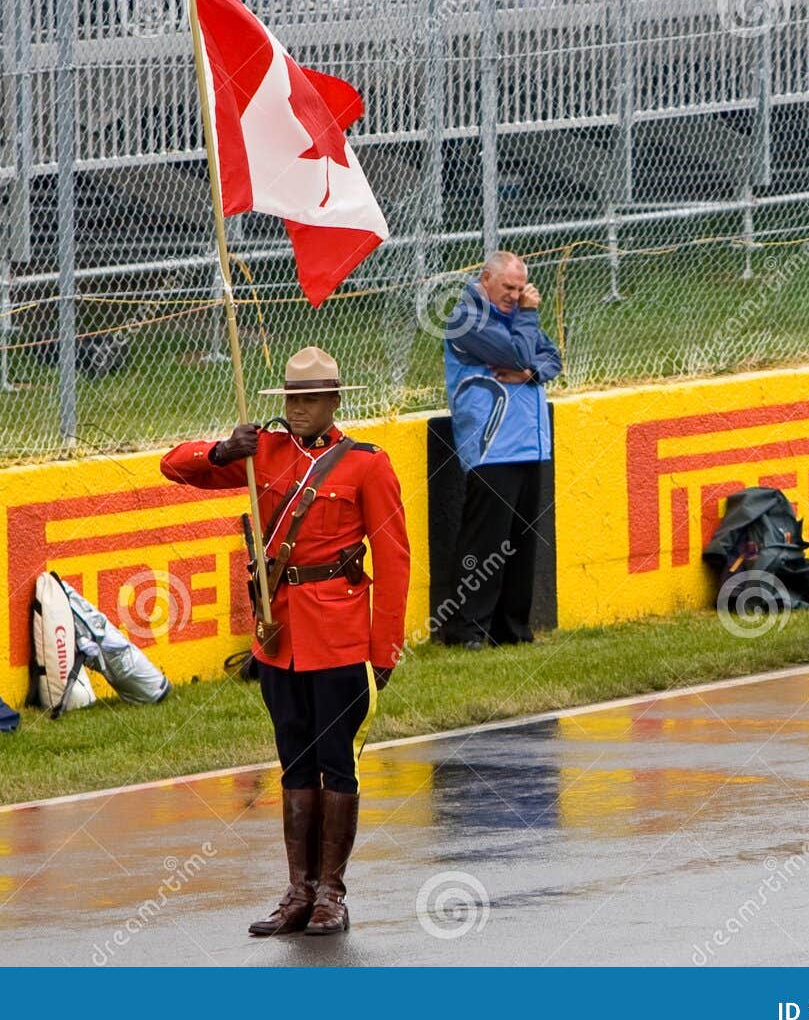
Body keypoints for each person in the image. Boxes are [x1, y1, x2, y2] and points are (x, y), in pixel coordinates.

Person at [160, 347, 410, 936]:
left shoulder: (367, 466)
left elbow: (394, 560)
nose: (298, 410)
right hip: (279, 636)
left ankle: (332, 896)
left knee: (336, 764)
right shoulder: (261, 453)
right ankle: (297, 892)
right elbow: (174, 466)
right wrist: (222, 451)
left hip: (341, 638)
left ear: (333, 401)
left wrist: (385, 648)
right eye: (291, 400)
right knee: (294, 762)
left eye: (310, 400)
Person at [439, 251, 562, 650]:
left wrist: (529, 372)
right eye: (507, 287)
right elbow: (520, 353)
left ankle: (512, 629)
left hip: (530, 443)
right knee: (484, 543)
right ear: (486, 279)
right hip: (491, 448)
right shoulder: (465, 319)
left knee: (523, 542)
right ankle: (465, 628)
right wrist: (525, 343)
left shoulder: (517, 316)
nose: (515, 295)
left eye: (519, 287)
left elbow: (551, 358)